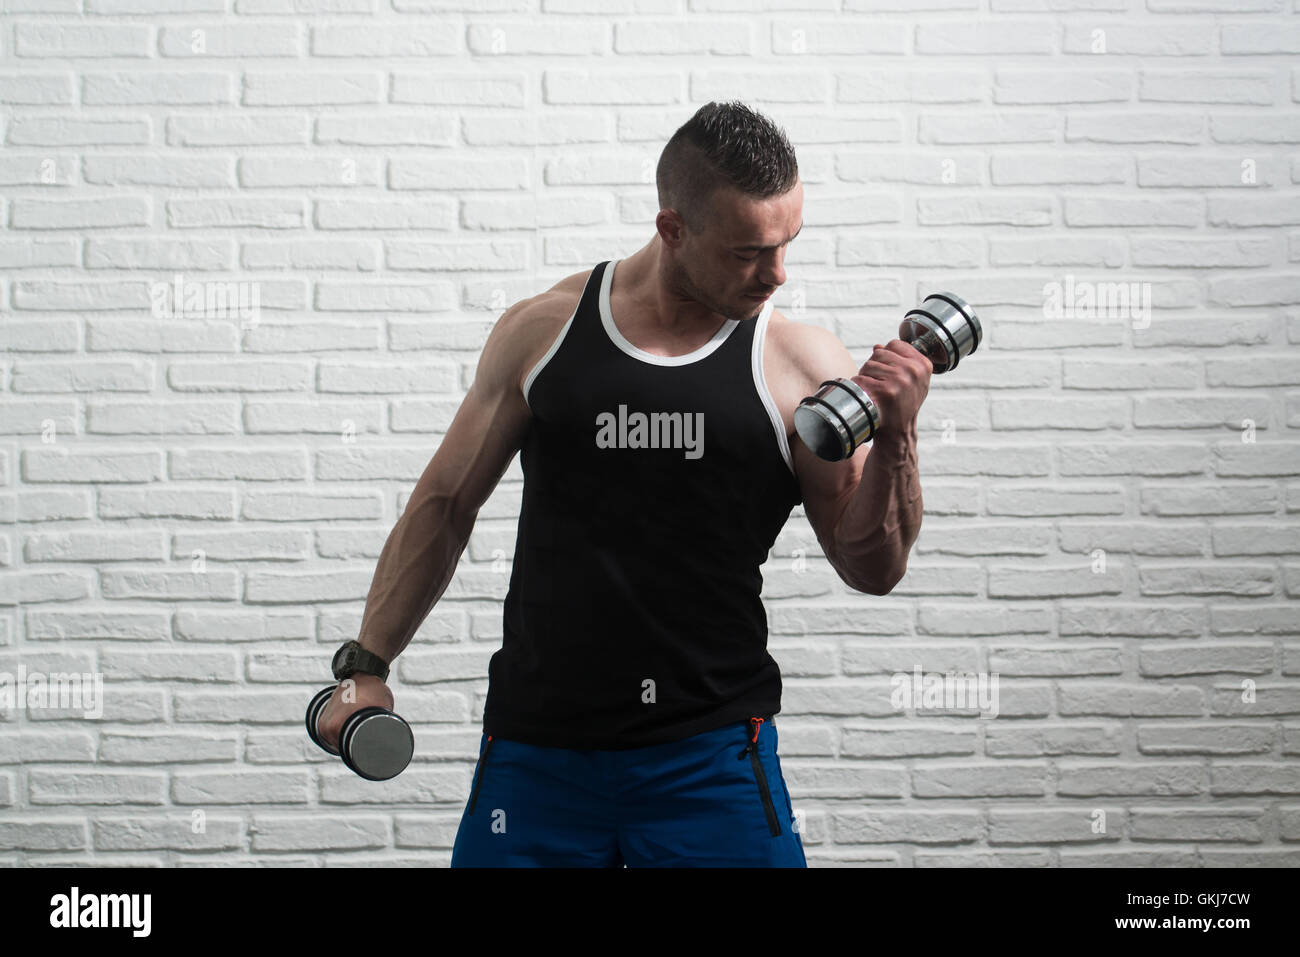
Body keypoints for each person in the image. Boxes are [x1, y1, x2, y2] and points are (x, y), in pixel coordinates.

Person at [315, 100, 933, 867]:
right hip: (536, 756)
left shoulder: (799, 365)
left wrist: (899, 436)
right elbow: (445, 505)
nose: (777, 275)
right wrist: (367, 665)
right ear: (673, 230)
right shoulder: (544, 333)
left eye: (787, 245)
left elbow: (872, 566)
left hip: (712, 761)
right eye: (748, 253)